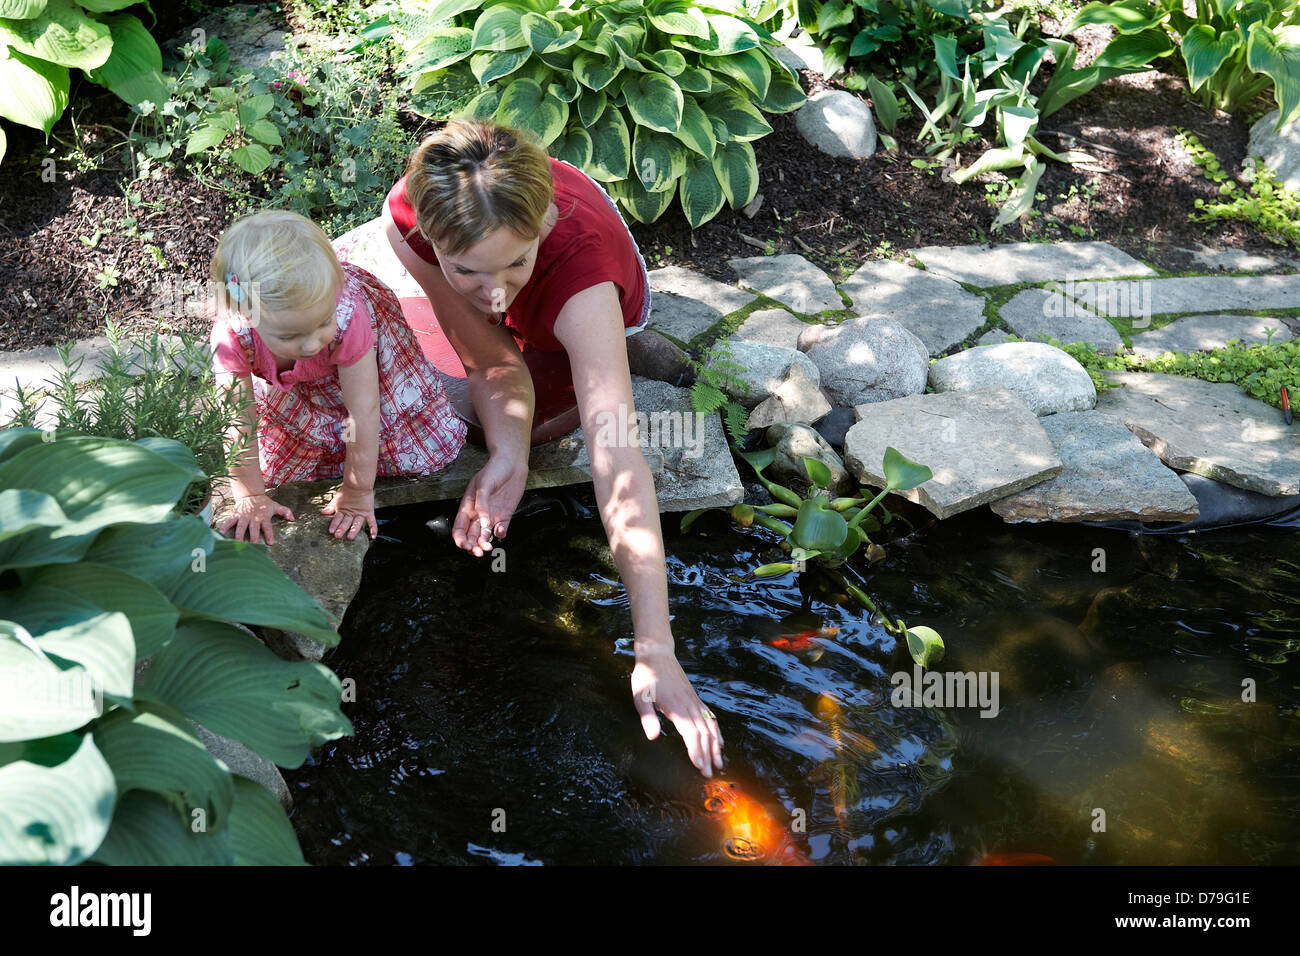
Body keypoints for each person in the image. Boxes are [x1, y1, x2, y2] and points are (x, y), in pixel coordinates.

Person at [383, 119, 725, 777]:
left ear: (539, 228)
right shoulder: (406, 216)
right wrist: (507, 456)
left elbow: (618, 460)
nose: (493, 292)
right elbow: (488, 356)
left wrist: (656, 647)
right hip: (538, 283)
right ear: (429, 238)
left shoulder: (580, 272)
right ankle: (571, 353)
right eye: (468, 270)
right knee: (493, 425)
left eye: (515, 262)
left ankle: (618, 345)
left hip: (589, 283)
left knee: (547, 421)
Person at [209, 210, 466, 544]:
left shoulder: (345, 317)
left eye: (321, 324)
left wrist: (358, 491)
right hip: (299, 372)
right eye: (290, 336)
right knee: (288, 446)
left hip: (363, 361)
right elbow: (236, 420)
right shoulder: (233, 335)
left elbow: (364, 412)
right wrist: (249, 494)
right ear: (248, 315)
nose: (313, 342)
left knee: (377, 422)